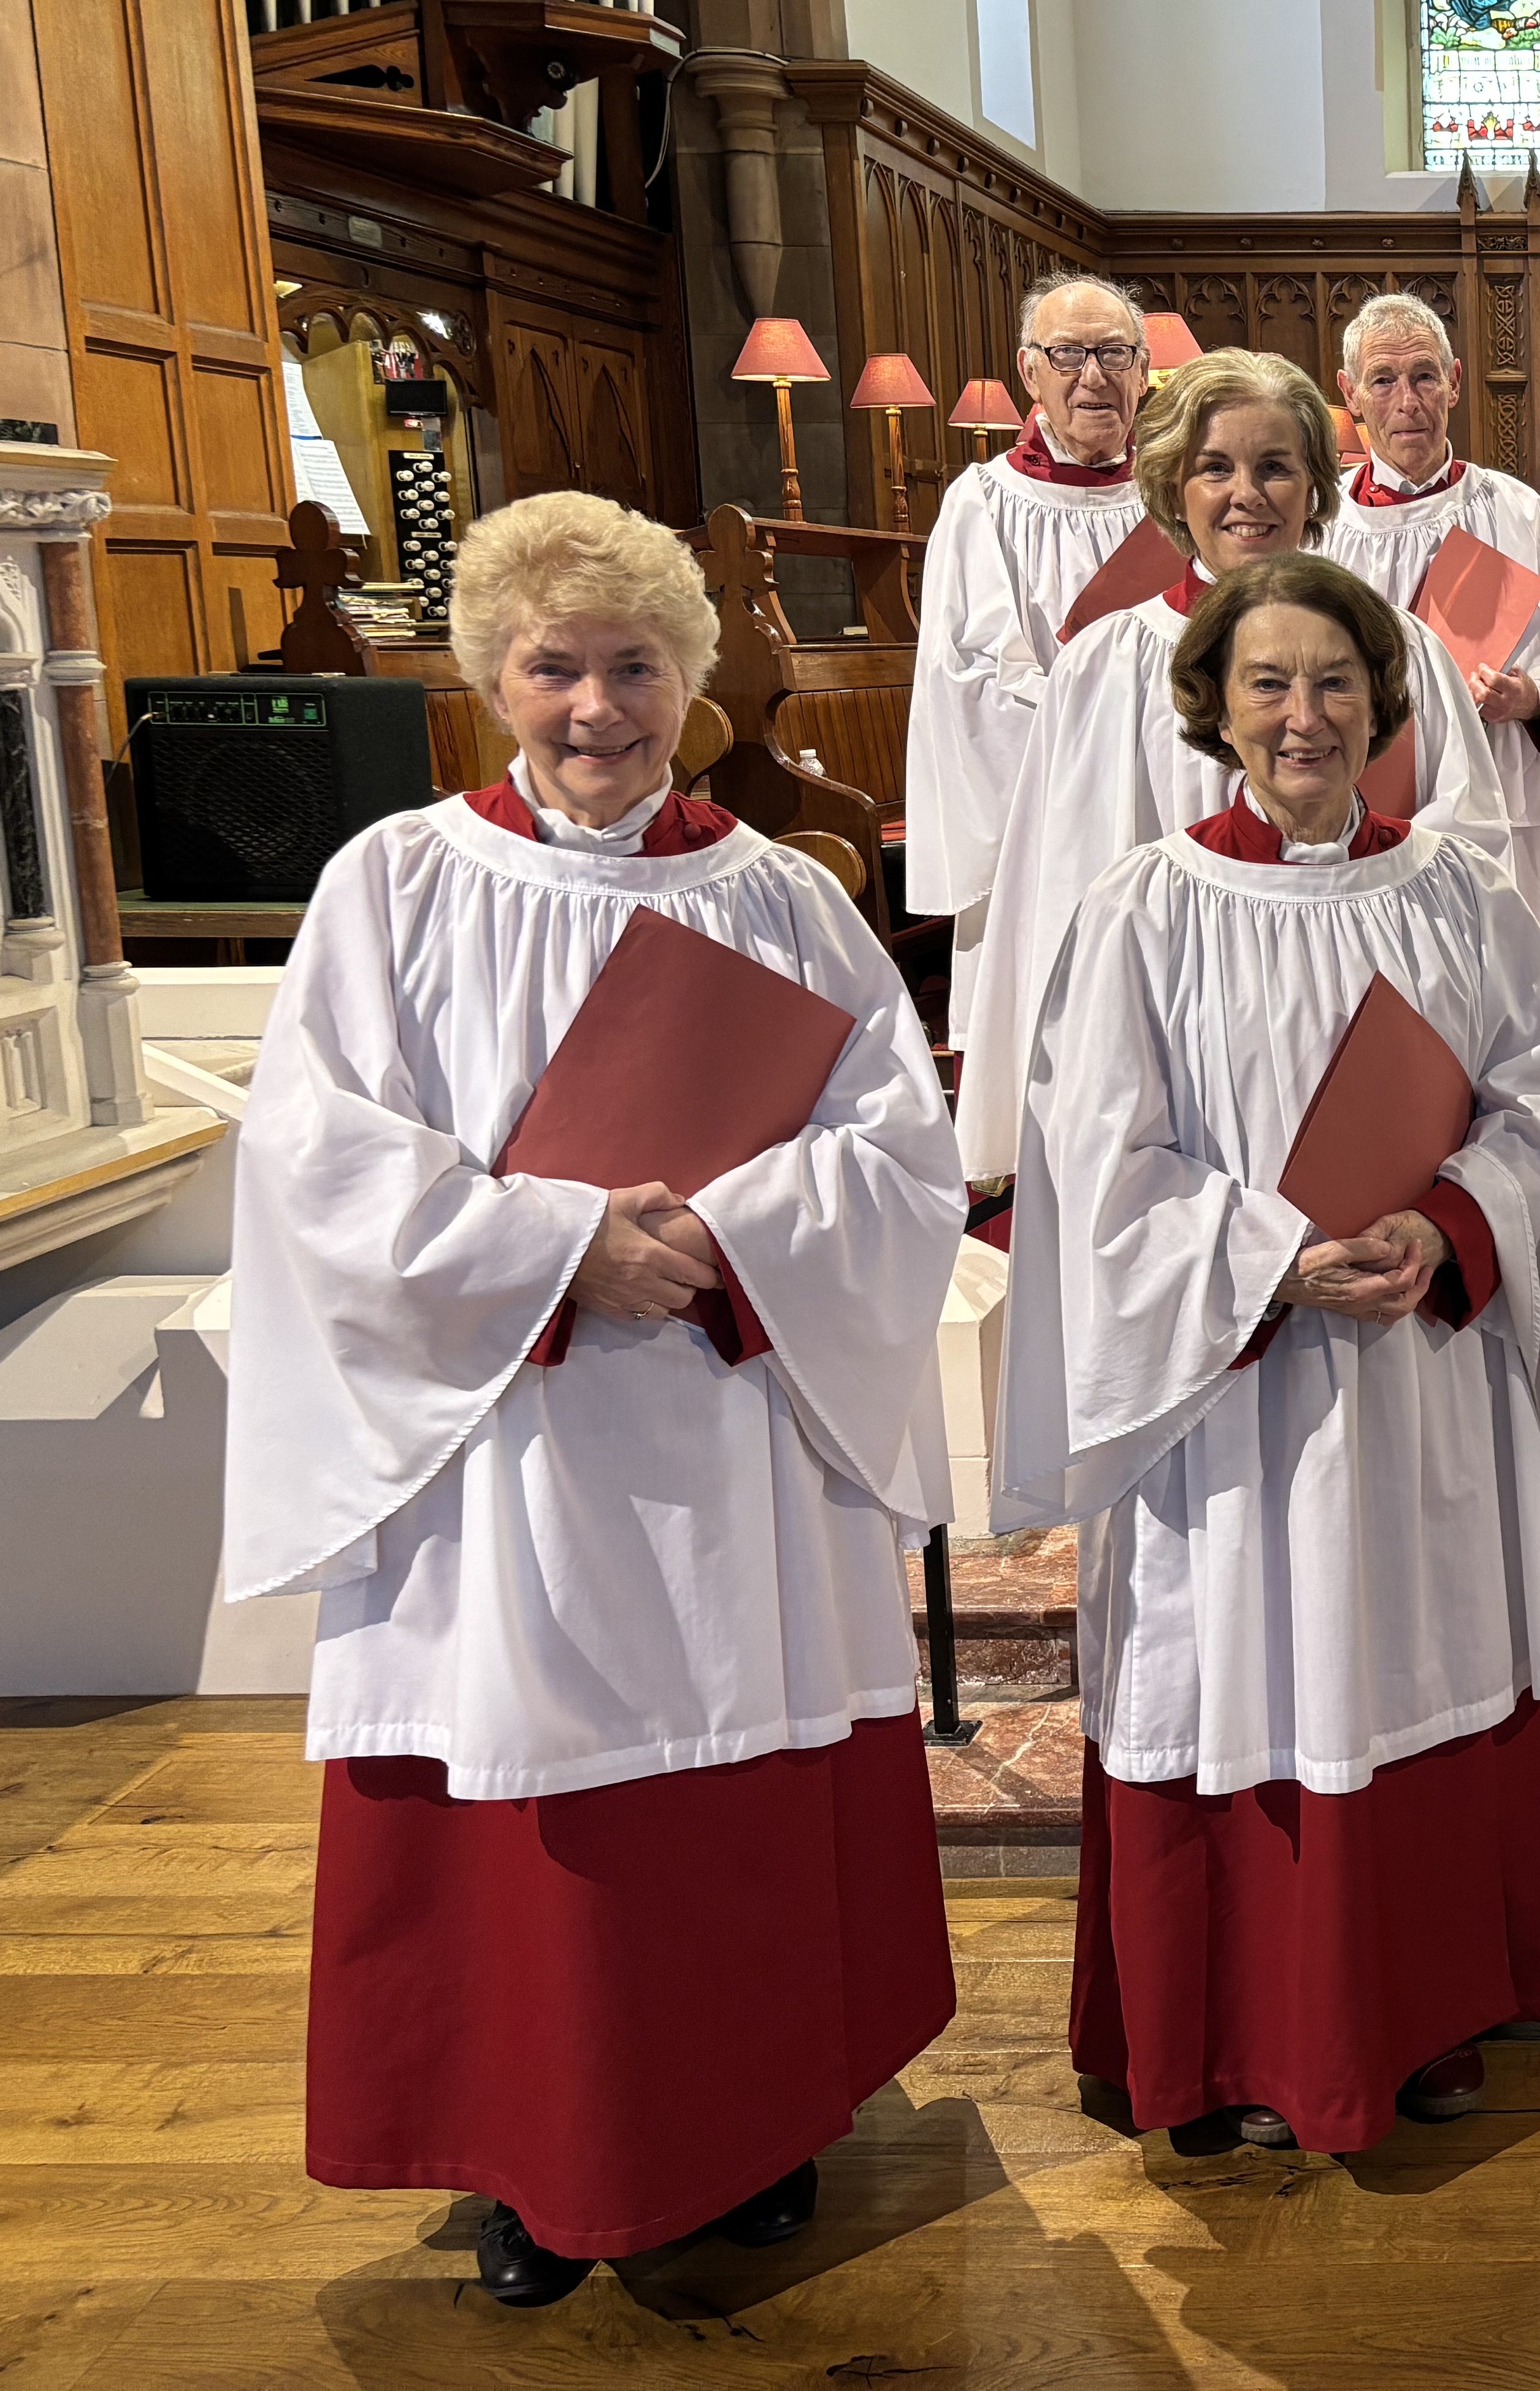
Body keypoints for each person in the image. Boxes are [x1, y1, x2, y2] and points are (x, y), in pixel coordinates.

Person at [224, 493, 964, 2308]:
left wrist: (713, 1233)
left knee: (734, 1795)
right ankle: (528, 2160)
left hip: (726, 1429)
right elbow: (319, 1166)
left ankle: (762, 2121)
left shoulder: (783, 895)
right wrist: (558, 1248)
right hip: (514, 1450)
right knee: (535, 1808)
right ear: (489, 677)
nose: (594, 709)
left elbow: (897, 1150)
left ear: (690, 679)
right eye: (552, 667)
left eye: (635, 666)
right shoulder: (394, 886)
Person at [994, 548, 1540, 2157]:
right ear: (1215, 706)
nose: (1304, 714)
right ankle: (1230, 2033)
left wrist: (1453, 1220)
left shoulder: (1459, 891)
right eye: (1268, 682)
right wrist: (1271, 1258)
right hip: (1232, 1393)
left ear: (1385, 700)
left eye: (1334, 681)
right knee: (1246, 1665)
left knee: (1415, 1648)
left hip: (1413, 1363)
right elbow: (1099, 1158)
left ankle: (1423, 2010)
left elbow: (1538, 1095)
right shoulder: (1148, 902)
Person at [952, 348, 1513, 1179]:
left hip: (1374, 1052)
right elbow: (1066, 889)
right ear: (1175, 488)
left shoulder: (1395, 647)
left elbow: (1465, 848)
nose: (1247, 494)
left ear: (1317, 489)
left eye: (1277, 467)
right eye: (1215, 467)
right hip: (1180, 1075)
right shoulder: (1109, 665)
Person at [1320, 290, 1540, 1038]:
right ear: (1348, 392)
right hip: (1359, 810)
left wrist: (1530, 698)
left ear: (1455, 381)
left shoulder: (1516, 514)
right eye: (1383, 380)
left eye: (1424, 376)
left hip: (1504, 807)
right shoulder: (1319, 525)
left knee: (1516, 1022)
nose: (1407, 400)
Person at [903, 272, 1152, 1000]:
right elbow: (973, 681)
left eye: (1114, 353)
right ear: (1030, 370)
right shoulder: (983, 502)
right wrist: (1099, 728)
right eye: (1070, 355)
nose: (1094, 377)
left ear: (1143, 371)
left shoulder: (1176, 501)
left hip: (1161, 794)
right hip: (1040, 820)